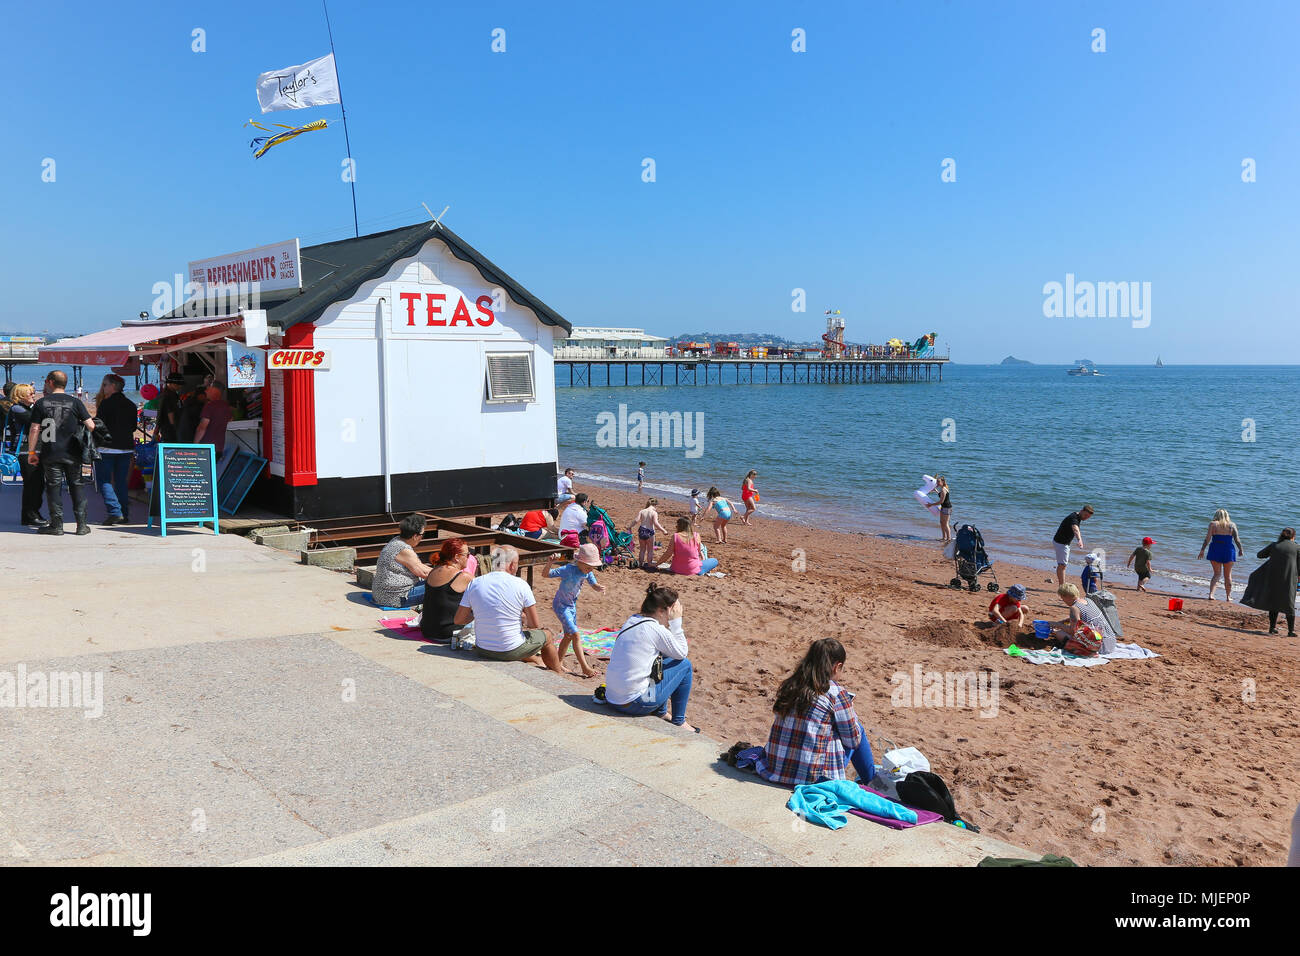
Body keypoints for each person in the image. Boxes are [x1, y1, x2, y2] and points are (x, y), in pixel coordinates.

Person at [754, 638, 876, 787]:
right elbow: (853, 740)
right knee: (857, 730)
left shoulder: (790, 686)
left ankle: (870, 780)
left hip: (776, 770)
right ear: (837, 667)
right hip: (813, 779)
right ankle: (871, 781)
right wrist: (850, 711)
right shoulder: (835, 693)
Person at [454, 545, 562, 673]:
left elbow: (459, 620)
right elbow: (534, 624)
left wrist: (481, 614)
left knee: (514, 638)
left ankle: (538, 661)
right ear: (512, 565)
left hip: (483, 649)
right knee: (547, 635)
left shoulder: (475, 583)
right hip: (509, 650)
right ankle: (558, 673)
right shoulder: (521, 584)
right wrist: (521, 617)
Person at [603, 583, 696, 731]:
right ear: (661, 611)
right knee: (684, 665)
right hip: (634, 704)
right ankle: (679, 721)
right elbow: (681, 653)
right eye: (673, 611)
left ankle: (661, 712)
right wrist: (676, 624)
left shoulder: (632, 620)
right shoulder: (655, 629)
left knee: (661, 659)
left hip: (612, 698)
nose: (674, 615)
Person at [26, 371, 96, 536]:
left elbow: (35, 428)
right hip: (73, 452)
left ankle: (56, 526)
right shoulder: (76, 402)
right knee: (77, 486)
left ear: (50, 382)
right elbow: (91, 426)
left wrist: (31, 451)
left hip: (50, 452)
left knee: (53, 488)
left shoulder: (41, 403)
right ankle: (82, 525)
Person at [547, 542, 606, 678]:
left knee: (568, 635)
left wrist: (599, 587)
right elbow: (546, 574)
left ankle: (558, 663)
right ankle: (585, 667)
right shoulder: (568, 569)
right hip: (561, 606)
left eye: (593, 567)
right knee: (576, 635)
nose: (591, 570)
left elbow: (593, 584)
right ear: (580, 562)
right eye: (589, 567)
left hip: (571, 606)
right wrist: (550, 562)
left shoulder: (587, 571)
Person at [92, 374, 138, 526]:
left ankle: (114, 512)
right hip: (125, 447)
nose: (103, 387)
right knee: (121, 482)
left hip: (108, 447)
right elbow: (132, 427)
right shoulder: (131, 405)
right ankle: (123, 513)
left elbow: (99, 425)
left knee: (104, 480)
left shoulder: (106, 404)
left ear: (113, 386)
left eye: (105, 385)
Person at [1240, 528, 1299, 637]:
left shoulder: (1274, 545)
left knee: (1274, 603)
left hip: (1273, 579)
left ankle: (1272, 628)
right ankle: (1291, 631)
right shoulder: (1297, 547)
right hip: (1289, 580)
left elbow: (1260, 555)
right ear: (1293, 537)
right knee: (1289, 603)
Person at [419, 538, 478, 644]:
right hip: (447, 633)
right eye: (467, 555)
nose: (469, 558)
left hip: (427, 630)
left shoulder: (433, 571)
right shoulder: (464, 577)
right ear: (456, 557)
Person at [5, 383, 47, 528]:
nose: (34, 396)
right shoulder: (17, 409)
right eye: (30, 394)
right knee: (32, 484)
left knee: (38, 484)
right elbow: (34, 422)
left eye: (33, 393)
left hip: (34, 450)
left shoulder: (28, 408)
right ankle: (30, 515)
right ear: (21, 396)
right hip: (24, 451)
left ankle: (32, 514)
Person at [372, 513, 434, 607]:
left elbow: (421, 567)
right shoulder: (403, 549)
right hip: (395, 597)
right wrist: (453, 575)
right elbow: (423, 573)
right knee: (443, 586)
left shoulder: (396, 541)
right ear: (415, 536)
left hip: (384, 593)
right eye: (422, 534)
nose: (422, 537)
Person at [1049, 583, 1117, 654]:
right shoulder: (1088, 600)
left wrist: (1056, 624)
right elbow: (1083, 617)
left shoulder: (1074, 608)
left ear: (1066, 596)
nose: (1063, 600)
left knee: (1059, 633)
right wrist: (1063, 621)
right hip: (1111, 641)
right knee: (1066, 629)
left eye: (1062, 598)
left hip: (1100, 647)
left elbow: (1073, 631)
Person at [1197, 509, 1245, 602]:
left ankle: (1211, 594)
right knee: (1228, 575)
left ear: (1217, 515)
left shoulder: (1213, 524)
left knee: (1216, 574)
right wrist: (1240, 549)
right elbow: (1237, 539)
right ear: (1227, 516)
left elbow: (1207, 538)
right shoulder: (1232, 525)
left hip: (1215, 549)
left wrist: (1202, 550)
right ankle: (1228, 596)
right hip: (1228, 550)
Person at [1052, 504, 1094, 586]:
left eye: (1088, 517)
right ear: (1081, 511)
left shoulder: (1076, 515)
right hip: (1061, 543)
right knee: (1062, 565)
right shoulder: (1074, 518)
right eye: (1085, 515)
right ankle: (1062, 586)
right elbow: (1075, 528)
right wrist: (1079, 540)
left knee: (1062, 565)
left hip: (1060, 542)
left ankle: (1062, 585)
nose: (1086, 518)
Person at [193, 384, 233, 453]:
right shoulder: (225, 405)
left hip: (206, 447)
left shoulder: (209, 406)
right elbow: (231, 420)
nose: (205, 391)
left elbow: (202, 428)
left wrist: (195, 445)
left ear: (215, 391)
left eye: (208, 389)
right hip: (220, 446)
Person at [628, 498, 668, 567]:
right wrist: (663, 530)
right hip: (649, 532)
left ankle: (640, 564)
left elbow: (636, 520)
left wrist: (630, 526)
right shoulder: (654, 513)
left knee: (642, 549)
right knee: (650, 550)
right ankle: (649, 563)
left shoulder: (642, 511)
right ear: (655, 505)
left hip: (641, 530)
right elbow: (656, 523)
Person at [156, 373, 185, 443]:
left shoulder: (173, 394)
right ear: (172, 384)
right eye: (178, 384)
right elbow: (170, 415)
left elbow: (158, 413)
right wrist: (177, 429)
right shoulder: (168, 396)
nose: (180, 386)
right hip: (171, 430)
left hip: (171, 429)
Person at [935, 476, 953, 544]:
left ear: (942, 482)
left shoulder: (943, 489)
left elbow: (941, 502)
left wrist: (931, 505)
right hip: (943, 507)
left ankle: (949, 539)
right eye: (937, 481)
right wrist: (936, 491)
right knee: (941, 522)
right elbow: (941, 495)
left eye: (939, 481)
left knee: (945, 524)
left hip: (947, 508)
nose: (937, 483)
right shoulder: (942, 489)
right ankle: (944, 538)